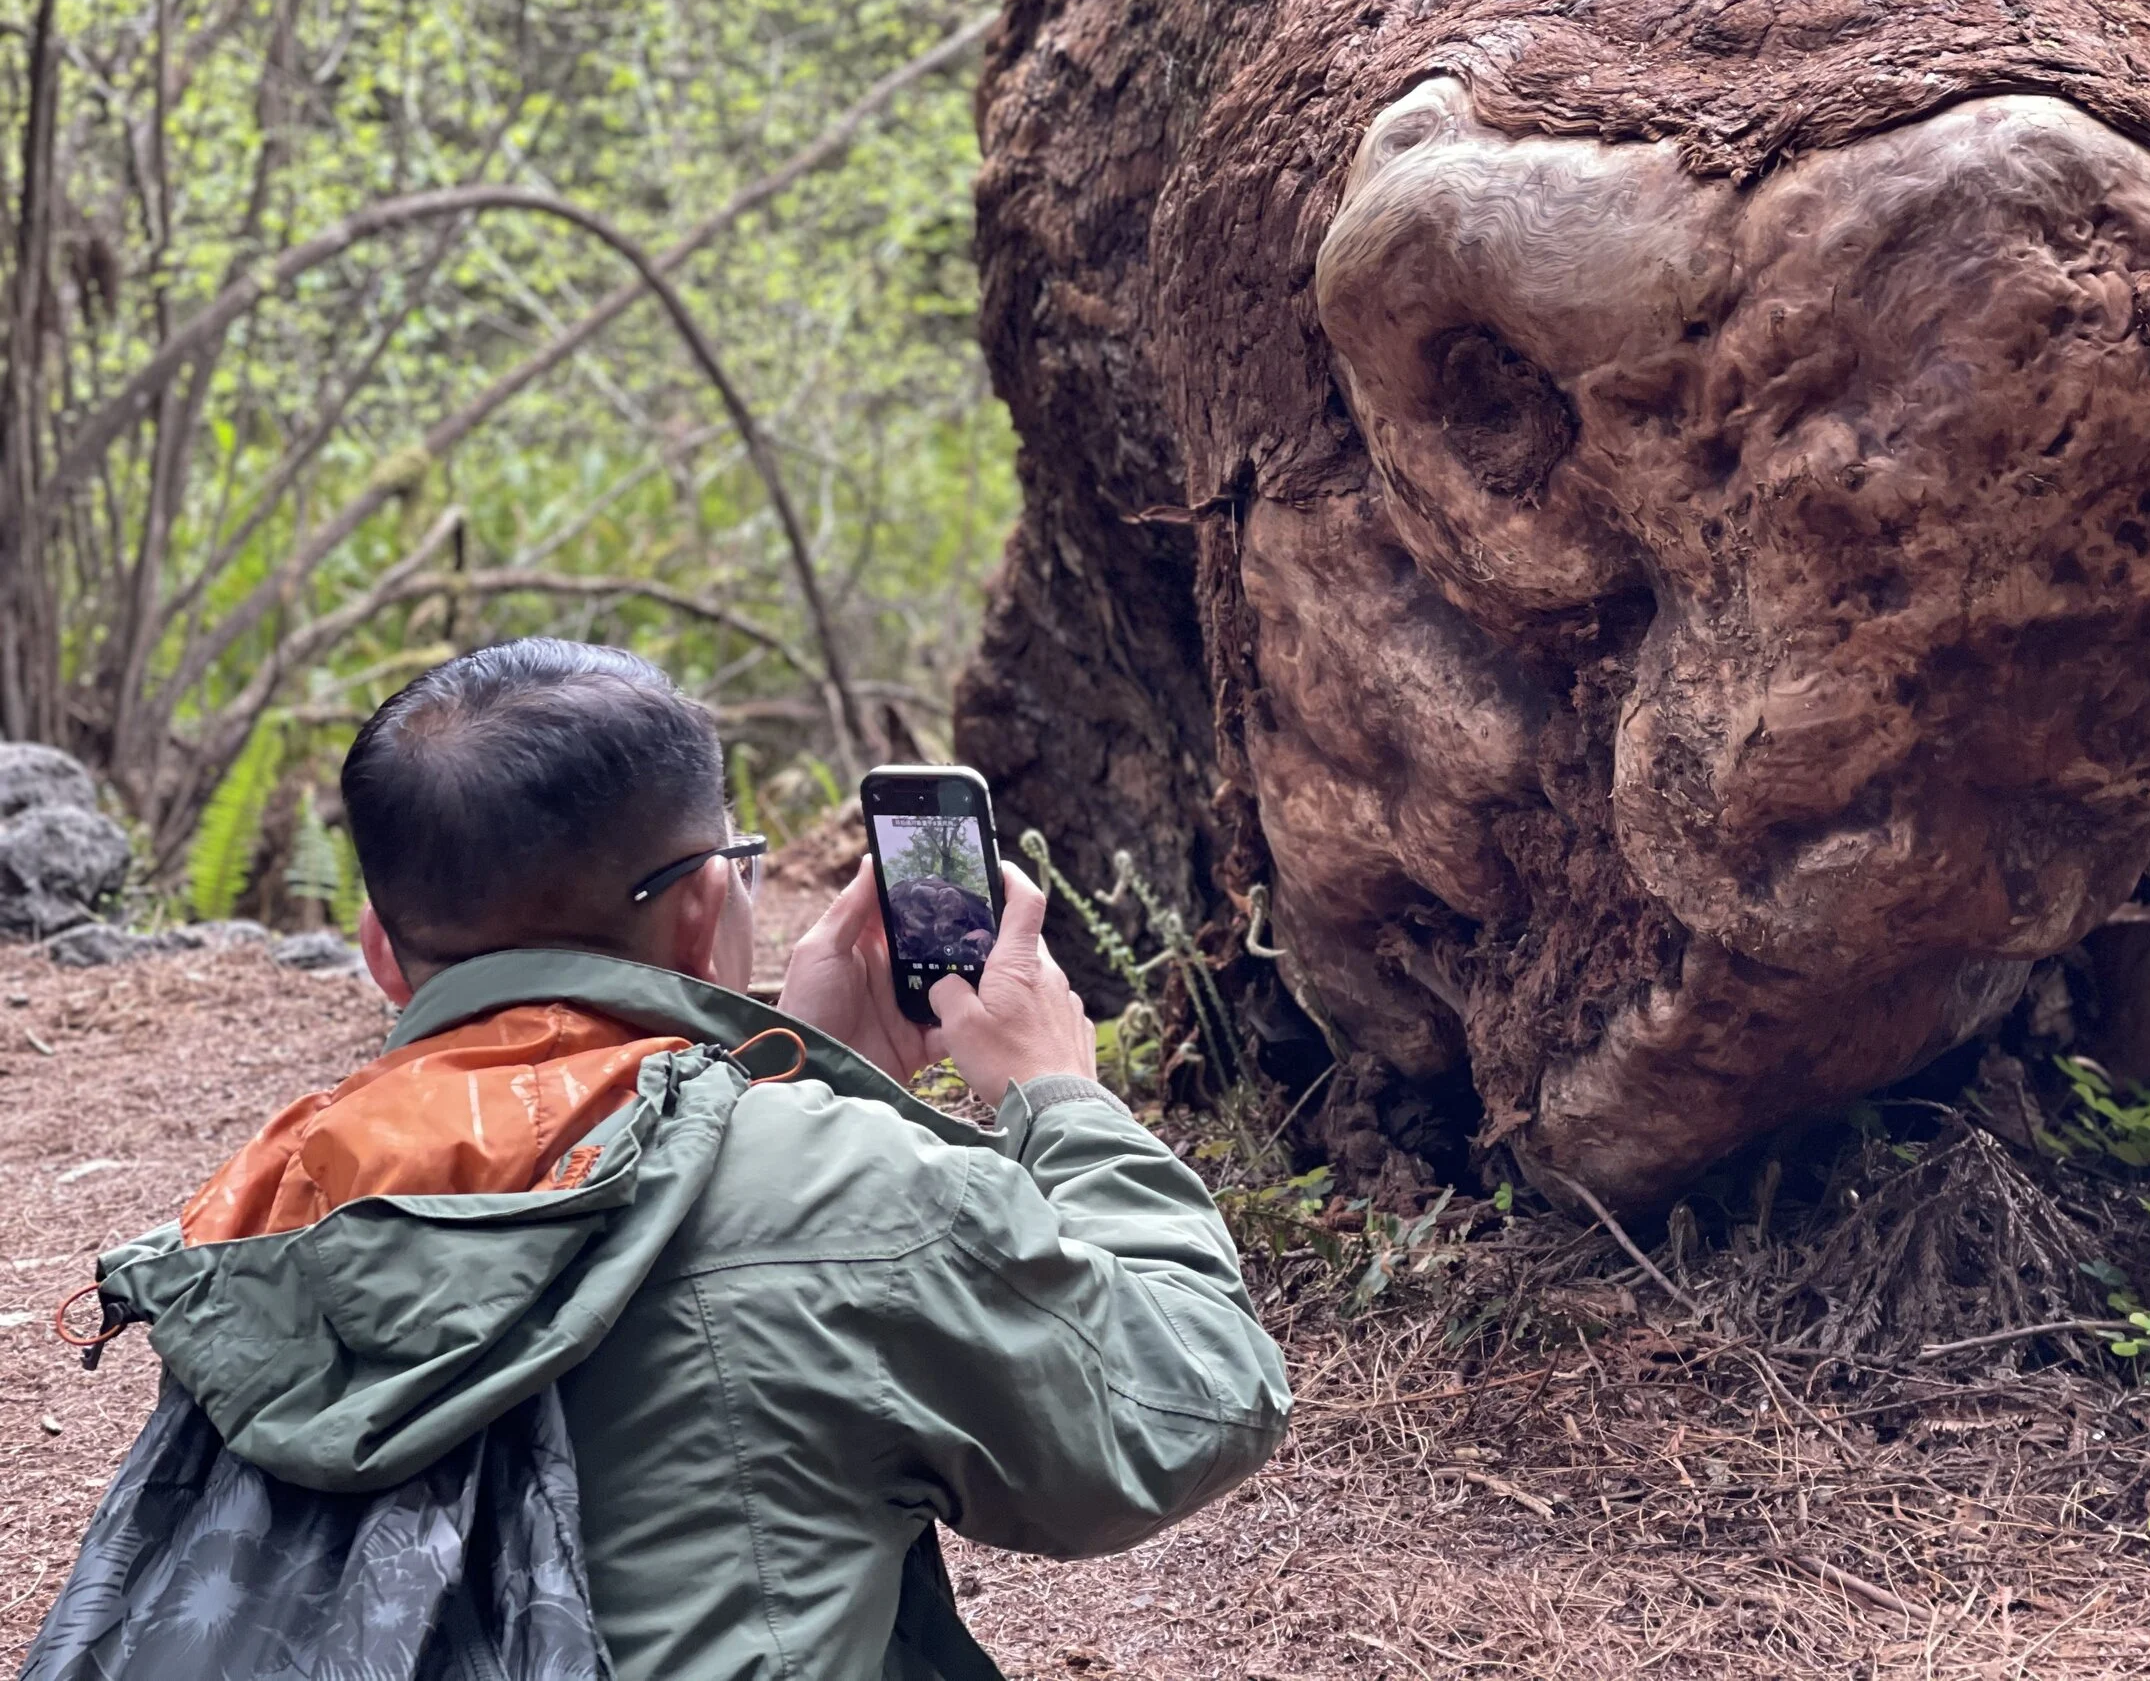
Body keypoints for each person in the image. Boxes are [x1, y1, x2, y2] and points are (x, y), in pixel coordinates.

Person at [106, 639, 1292, 1680]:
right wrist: (1056, 1093)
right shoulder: (839, 1187)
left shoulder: (280, 1192)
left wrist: (801, 1062)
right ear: (702, 902)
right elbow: (1194, 1398)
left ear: (380, 950)